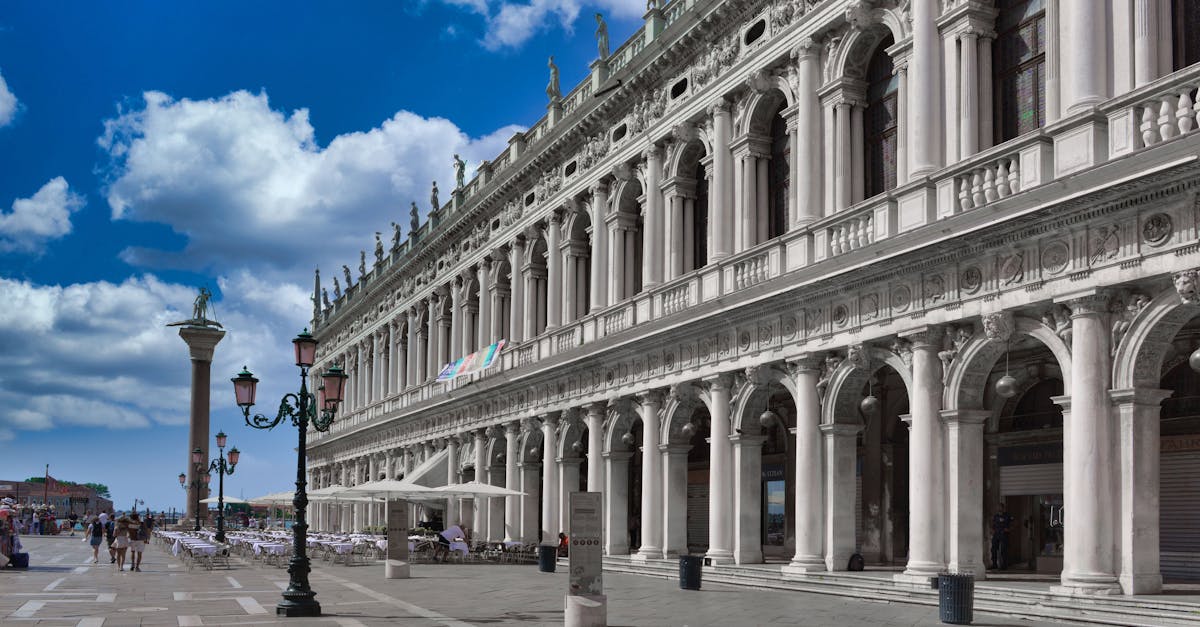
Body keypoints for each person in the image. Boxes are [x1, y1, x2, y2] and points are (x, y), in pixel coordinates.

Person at [990, 502, 1014, 570]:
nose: (998, 508)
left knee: (1004, 550)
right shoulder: (995, 516)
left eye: (1000, 507)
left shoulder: (1007, 516)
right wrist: (992, 530)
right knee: (993, 549)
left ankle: (1004, 565)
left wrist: (1009, 529)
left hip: (1004, 534)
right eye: (998, 507)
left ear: (1003, 508)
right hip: (996, 534)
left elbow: (1014, 523)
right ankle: (994, 564)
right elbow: (992, 524)